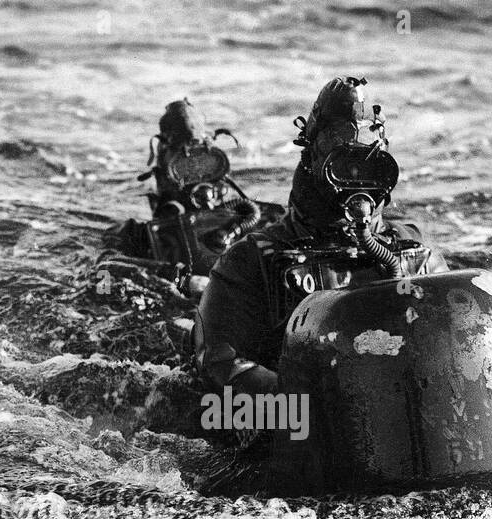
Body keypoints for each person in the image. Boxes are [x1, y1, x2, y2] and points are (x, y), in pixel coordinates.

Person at [192, 76, 448, 397]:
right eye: (343, 167)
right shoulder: (253, 261)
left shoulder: (415, 256)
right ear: (312, 162)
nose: (356, 181)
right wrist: (312, 409)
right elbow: (218, 362)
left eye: (366, 167)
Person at [105, 99, 284, 295]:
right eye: (183, 170)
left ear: (221, 175)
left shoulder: (260, 221)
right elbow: (106, 269)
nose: (198, 184)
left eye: (207, 167)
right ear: (162, 179)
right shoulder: (136, 237)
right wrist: (181, 280)